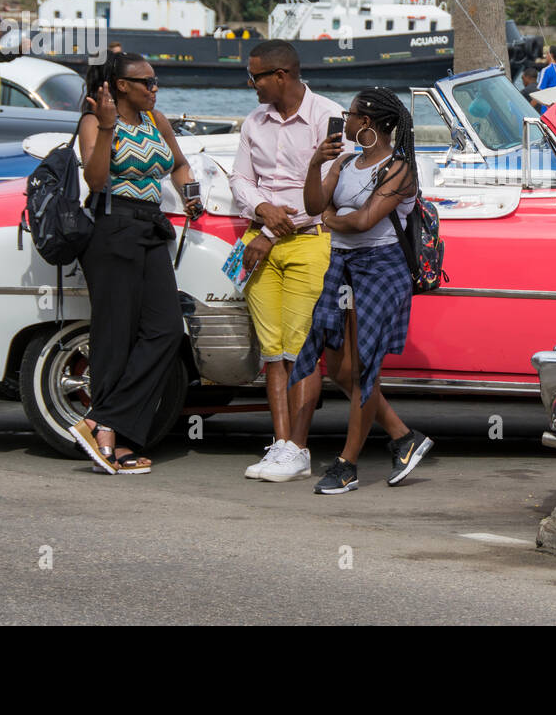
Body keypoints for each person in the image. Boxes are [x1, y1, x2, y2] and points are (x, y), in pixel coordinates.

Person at [293, 87, 433, 494]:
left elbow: (365, 221)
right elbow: (314, 203)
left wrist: (330, 217)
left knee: (367, 367)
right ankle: (403, 436)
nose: (345, 120)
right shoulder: (344, 161)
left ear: (366, 122)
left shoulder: (399, 169)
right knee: (338, 366)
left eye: (350, 114)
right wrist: (315, 167)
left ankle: (347, 464)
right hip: (342, 267)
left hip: (380, 270)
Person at [68, 52, 203, 475]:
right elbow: (95, 179)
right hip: (111, 228)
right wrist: (107, 126)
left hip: (149, 228)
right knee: (115, 336)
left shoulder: (156, 120)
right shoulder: (94, 121)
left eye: (155, 81)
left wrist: (191, 195)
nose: (154, 88)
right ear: (121, 85)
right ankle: (115, 439)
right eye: (146, 82)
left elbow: (179, 164)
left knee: (165, 329)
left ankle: (101, 420)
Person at [229, 40, 347, 483]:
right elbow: (241, 178)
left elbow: (331, 191)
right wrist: (262, 213)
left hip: (308, 240)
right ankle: (281, 447)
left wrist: (271, 225)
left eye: (256, 76)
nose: (251, 84)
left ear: (281, 75)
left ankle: (299, 447)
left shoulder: (328, 117)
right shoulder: (254, 122)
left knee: (302, 351)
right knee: (273, 352)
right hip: (262, 241)